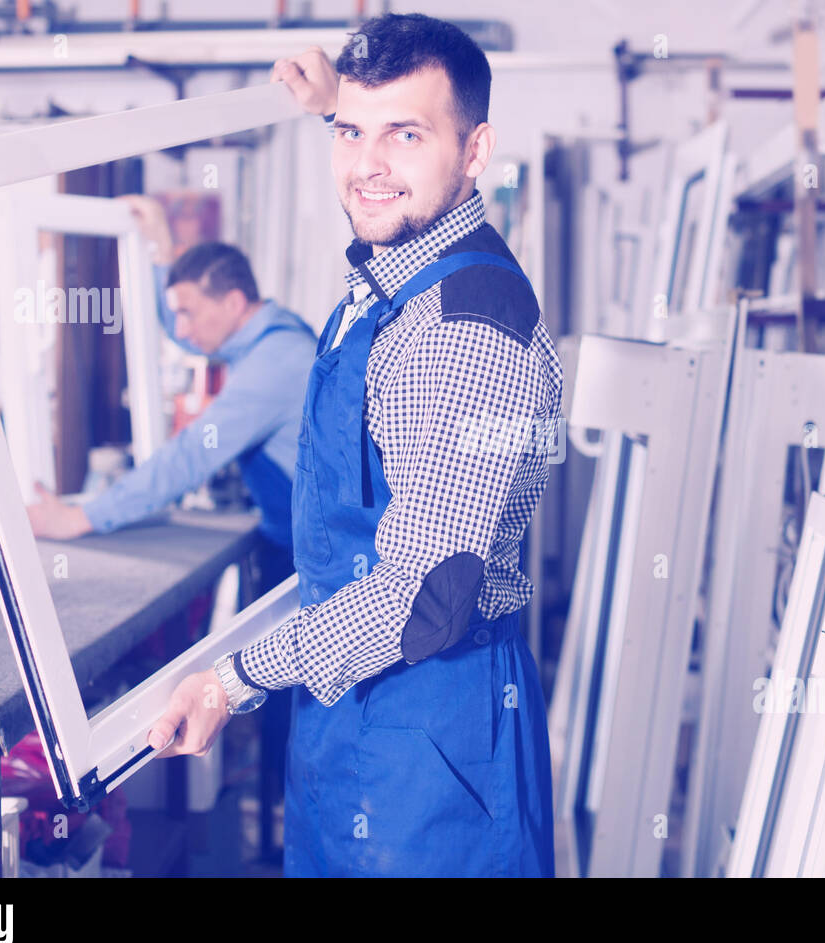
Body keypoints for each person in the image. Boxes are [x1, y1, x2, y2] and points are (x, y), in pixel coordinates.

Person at [147, 13, 564, 877]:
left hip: (435, 747)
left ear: (475, 151)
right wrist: (344, 104)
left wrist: (232, 680)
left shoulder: (464, 329)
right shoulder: (396, 275)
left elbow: (423, 596)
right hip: (355, 714)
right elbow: (387, 159)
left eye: (404, 135)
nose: (367, 165)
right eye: (349, 134)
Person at [27, 199, 317, 597]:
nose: (180, 328)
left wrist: (81, 518)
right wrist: (162, 251)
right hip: (292, 537)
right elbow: (185, 331)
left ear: (232, 302)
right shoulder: (263, 333)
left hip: (311, 555)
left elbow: (191, 455)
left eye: (188, 313)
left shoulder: (278, 361)